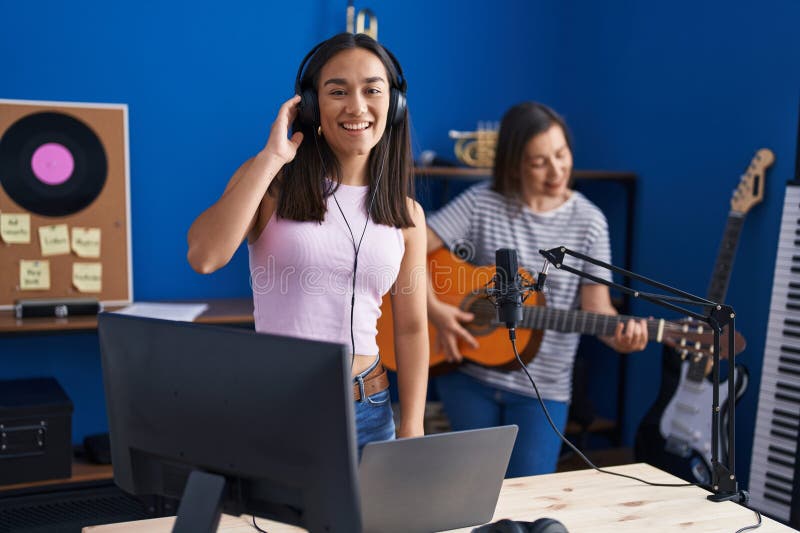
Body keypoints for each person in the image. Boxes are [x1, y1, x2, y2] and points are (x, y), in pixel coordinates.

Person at [186, 33, 428, 453]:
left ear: (395, 104)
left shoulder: (406, 214)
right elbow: (205, 257)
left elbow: (410, 327)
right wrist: (271, 157)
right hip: (283, 401)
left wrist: (413, 424)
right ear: (312, 105)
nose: (357, 106)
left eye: (372, 89)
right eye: (338, 91)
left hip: (371, 407)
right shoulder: (271, 181)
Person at [426, 102, 648, 477]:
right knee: (470, 495)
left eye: (561, 155)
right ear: (514, 164)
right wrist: (433, 307)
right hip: (469, 375)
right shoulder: (482, 202)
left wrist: (621, 337)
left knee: (530, 501)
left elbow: (598, 309)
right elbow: (408, 242)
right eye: (538, 162)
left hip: (543, 389)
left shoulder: (589, 222)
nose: (557, 170)